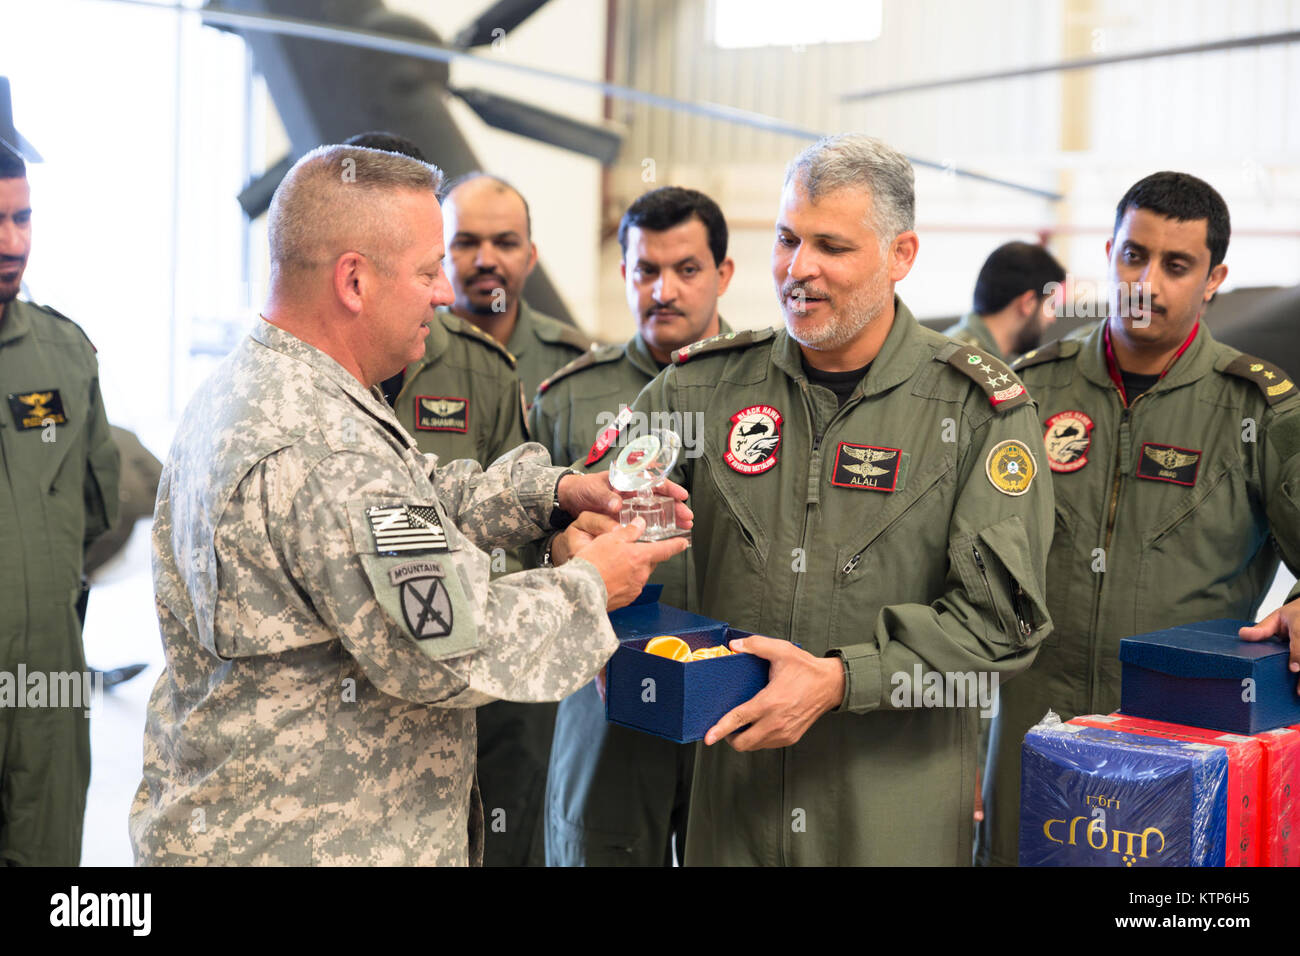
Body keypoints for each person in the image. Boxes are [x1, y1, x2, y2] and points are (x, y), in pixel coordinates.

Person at [128, 145, 690, 866]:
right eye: (428, 271)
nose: (446, 294)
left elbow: (410, 495)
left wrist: (551, 493)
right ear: (355, 281)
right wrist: (592, 585)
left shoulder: (270, 386)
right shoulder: (327, 447)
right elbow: (451, 645)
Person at [623, 134, 1055, 865]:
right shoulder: (698, 388)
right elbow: (608, 506)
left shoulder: (980, 410)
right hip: (733, 810)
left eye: (832, 246)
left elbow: (1002, 622)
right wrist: (583, 543)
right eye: (788, 238)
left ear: (901, 255)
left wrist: (841, 679)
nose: (799, 269)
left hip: (889, 817)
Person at [981, 171, 1300, 867]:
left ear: (1214, 278)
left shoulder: (1261, 412)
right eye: (1133, 255)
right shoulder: (1026, 394)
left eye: (1176, 265)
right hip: (1036, 735)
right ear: (1109, 253)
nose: (1146, 281)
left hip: (1181, 754)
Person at [344, 133, 545, 867]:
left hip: (463, 687)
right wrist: (585, 591)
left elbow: (464, 509)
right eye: (439, 260)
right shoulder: (305, 400)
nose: (450, 282)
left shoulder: (484, 369)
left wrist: (558, 509)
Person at [533, 185, 735, 865]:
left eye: (687, 269)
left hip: (729, 687)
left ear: (724, 275)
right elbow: (514, 547)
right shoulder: (569, 397)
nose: (664, 289)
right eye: (645, 270)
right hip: (607, 694)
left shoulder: (766, 388)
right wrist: (556, 545)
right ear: (623, 275)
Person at [0, 147, 120, 865]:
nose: (11, 243)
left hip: (45, 682)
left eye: (22, 218)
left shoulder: (64, 354)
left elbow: (96, 506)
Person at [440, 173, 591, 405]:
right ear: (441, 256)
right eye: (466, 243)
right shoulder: (405, 355)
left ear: (531, 258)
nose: (486, 261)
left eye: (505, 244)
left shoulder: (574, 362)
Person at [943, 241, 1066, 363]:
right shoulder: (971, 366)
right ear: (1028, 302)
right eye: (1051, 305)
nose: (1053, 319)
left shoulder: (959, 348)